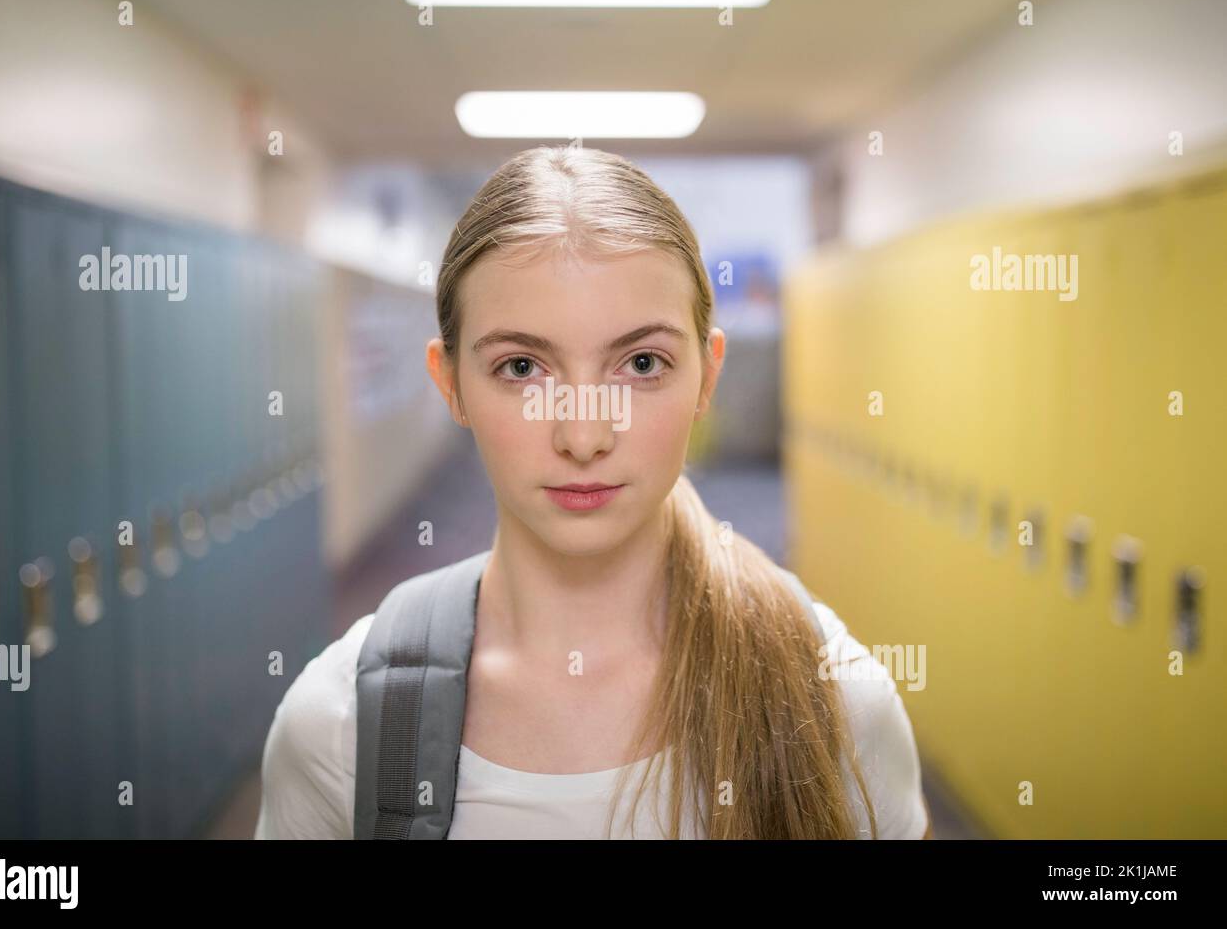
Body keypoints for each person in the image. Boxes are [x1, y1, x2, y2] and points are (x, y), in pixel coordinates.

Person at [255, 144, 931, 839]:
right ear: (450, 383)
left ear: (707, 376)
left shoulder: (835, 697)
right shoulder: (341, 730)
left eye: (642, 364)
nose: (583, 435)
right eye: (521, 367)